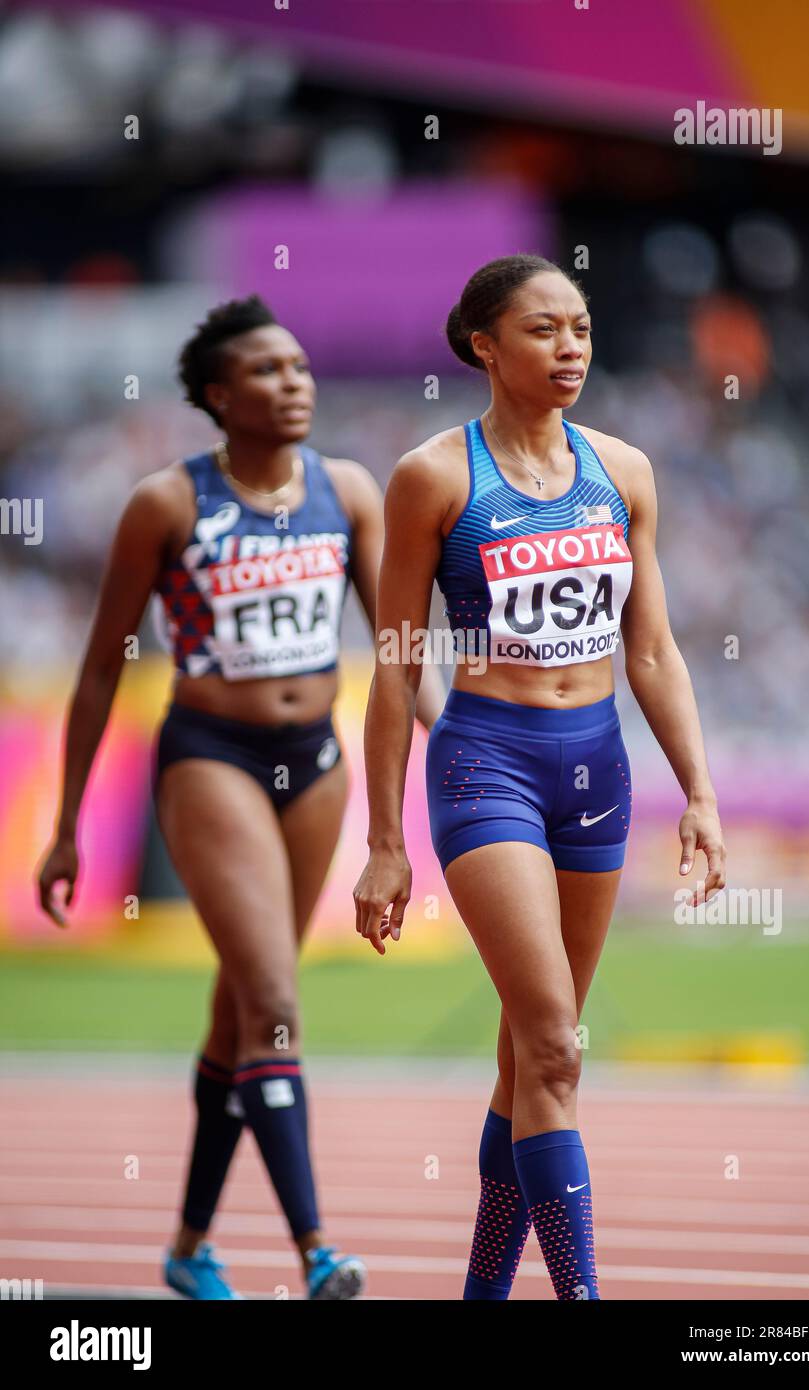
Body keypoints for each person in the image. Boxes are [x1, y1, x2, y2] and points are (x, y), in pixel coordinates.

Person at [37, 294, 443, 1301]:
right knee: (272, 1001)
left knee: (236, 1017)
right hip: (209, 757)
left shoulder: (346, 489)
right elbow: (97, 672)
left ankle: (186, 1247)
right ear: (219, 395)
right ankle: (316, 1252)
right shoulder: (165, 504)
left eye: (301, 366)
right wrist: (64, 826)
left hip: (314, 759)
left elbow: (395, 642)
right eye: (267, 370)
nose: (294, 382)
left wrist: (459, 730)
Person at [353, 254, 726, 1301]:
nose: (570, 348)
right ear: (483, 345)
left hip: (594, 765)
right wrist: (385, 844)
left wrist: (696, 789)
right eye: (542, 329)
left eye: (581, 328)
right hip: (485, 761)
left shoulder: (624, 470)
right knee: (558, 1044)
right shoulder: (434, 476)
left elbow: (649, 651)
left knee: (530, 1059)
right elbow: (393, 665)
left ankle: (481, 1293)